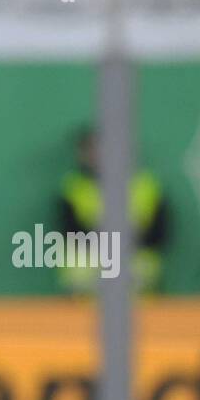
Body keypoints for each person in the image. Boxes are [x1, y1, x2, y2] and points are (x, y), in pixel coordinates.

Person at [57, 126, 170, 294]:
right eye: (90, 150)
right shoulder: (72, 187)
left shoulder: (147, 186)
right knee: (80, 268)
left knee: (139, 270)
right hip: (89, 272)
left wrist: (132, 235)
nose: (97, 155)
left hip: (137, 267)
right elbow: (70, 233)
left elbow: (160, 235)